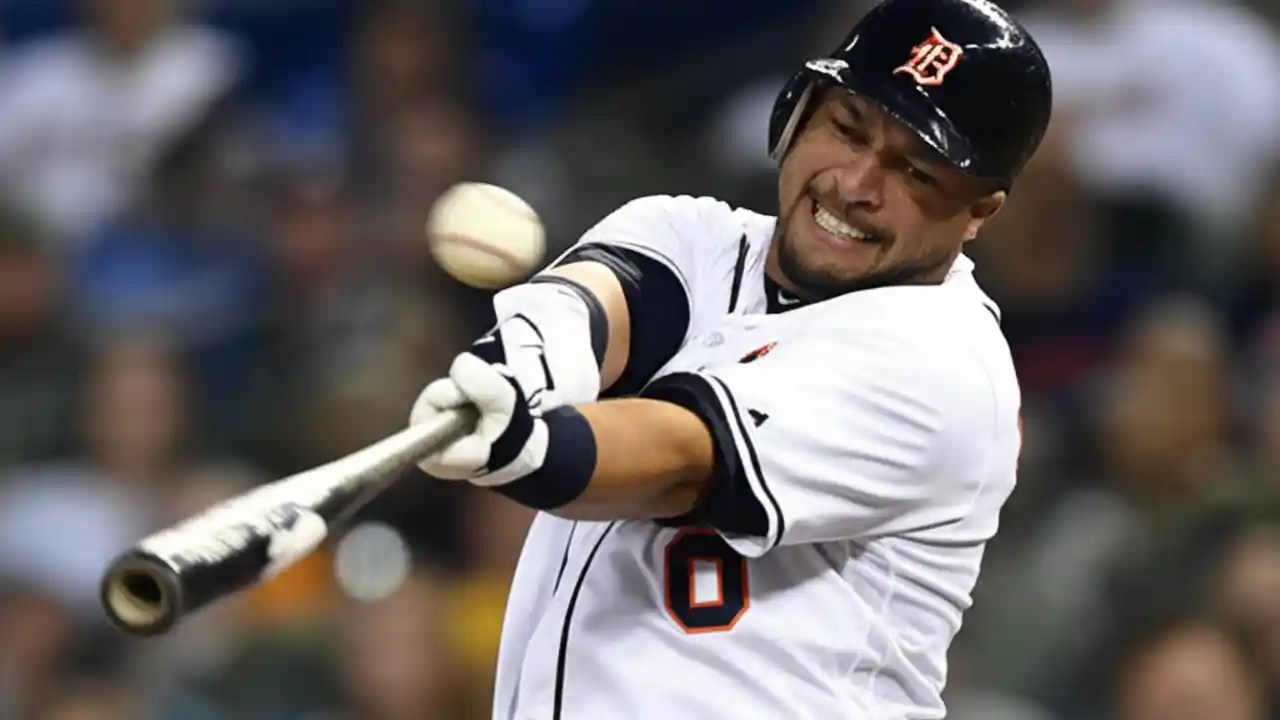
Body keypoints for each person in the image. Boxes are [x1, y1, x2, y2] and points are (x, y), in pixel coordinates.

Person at [410, 0, 1052, 717]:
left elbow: (678, 459)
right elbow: (598, 303)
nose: (855, 185)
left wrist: (527, 441)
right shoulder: (694, 235)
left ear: (980, 211)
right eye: (847, 129)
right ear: (798, 111)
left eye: (915, 171)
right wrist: (525, 364)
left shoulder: (944, 365)